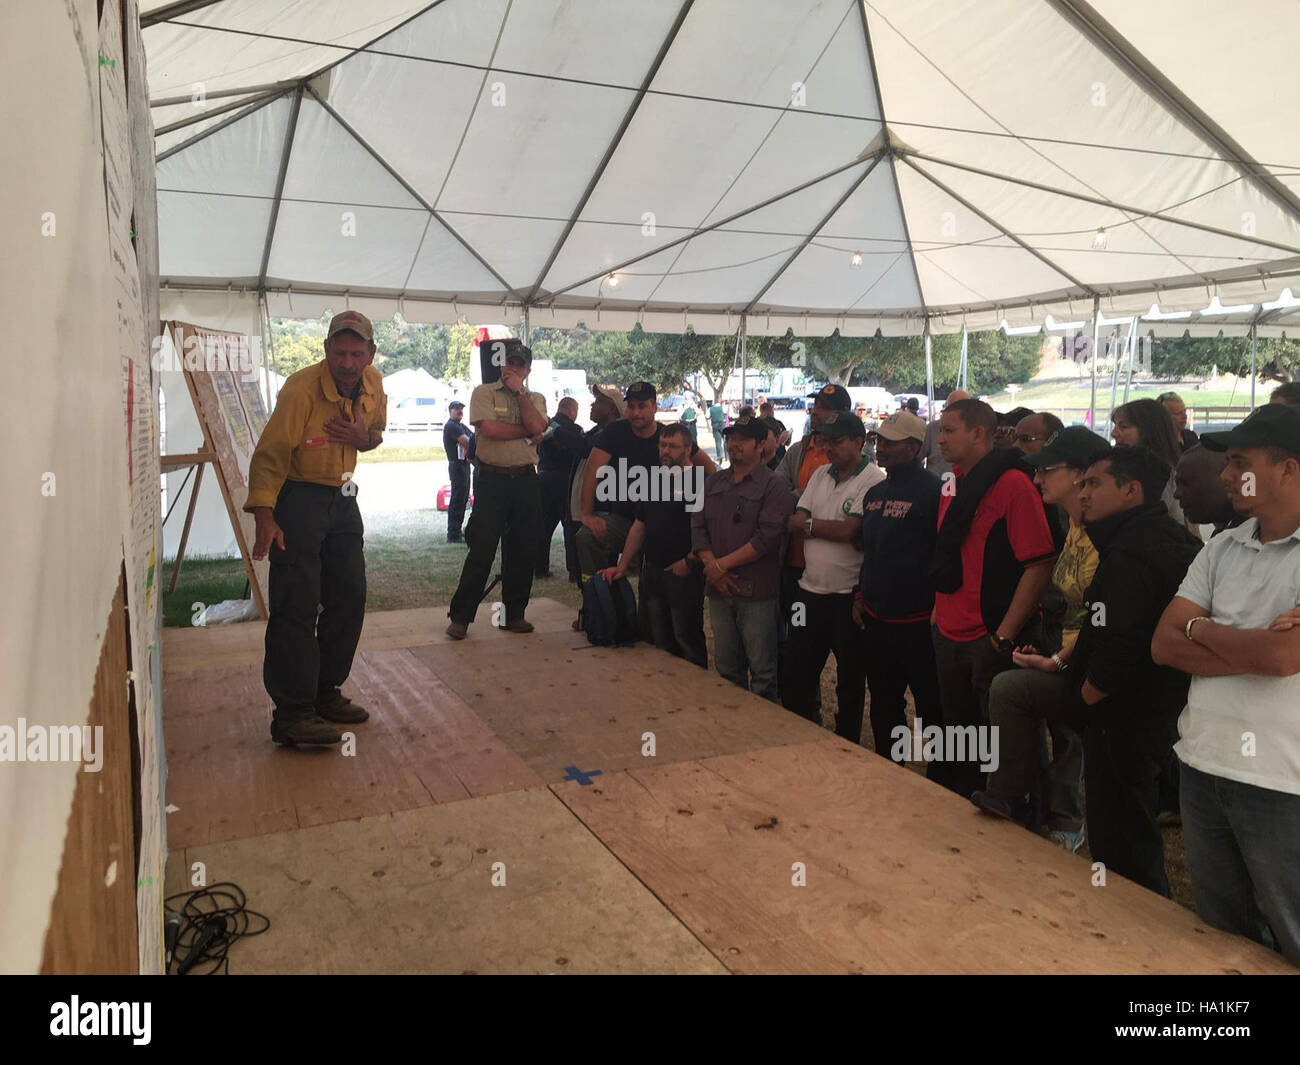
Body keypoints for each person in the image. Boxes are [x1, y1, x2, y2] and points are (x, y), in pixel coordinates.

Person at [1152, 404, 1300, 963]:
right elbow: (1163, 645)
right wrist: (1250, 645)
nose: (1223, 475)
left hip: (1284, 781)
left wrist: (1200, 629)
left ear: (1288, 468)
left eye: (1239, 461)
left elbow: (1286, 657)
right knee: (1223, 939)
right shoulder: (1221, 547)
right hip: (1203, 762)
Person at [1057, 445, 1200, 896]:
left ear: (1131, 490)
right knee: (1130, 825)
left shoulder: (1133, 553)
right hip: (1154, 710)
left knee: (1122, 839)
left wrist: (1085, 700)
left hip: (1126, 717)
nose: (1083, 493)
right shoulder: (1159, 536)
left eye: (1095, 484)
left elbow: (1124, 645)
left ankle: (1135, 933)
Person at [246, 310, 386, 746]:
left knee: (349, 595)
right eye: (339, 352)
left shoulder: (375, 383)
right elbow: (269, 454)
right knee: (296, 604)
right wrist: (266, 515)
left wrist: (363, 439)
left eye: (356, 353)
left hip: (344, 497)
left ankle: (325, 692)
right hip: (299, 497)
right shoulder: (301, 388)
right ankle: (292, 714)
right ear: (326, 351)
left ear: (370, 354)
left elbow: (376, 432)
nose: (347, 362)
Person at [970, 427, 1111, 851]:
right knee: (1017, 693)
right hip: (1062, 640)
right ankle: (1021, 801)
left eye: (1047, 470)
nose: (1037, 479)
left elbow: (1106, 613)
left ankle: (1066, 818)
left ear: (1081, 474)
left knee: (1063, 728)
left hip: (1095, 658)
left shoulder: (1107, 528)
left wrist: (1063, 658)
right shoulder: (1070, 520)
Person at [930, 399, 1058, 798]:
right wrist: (938, 611)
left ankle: (1022, 812)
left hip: (990, 630)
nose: (940, 437)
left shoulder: (1014, 484)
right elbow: (949, 549)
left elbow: (1039, 563)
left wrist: (1004, 634)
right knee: (960, 728)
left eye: (950, 430)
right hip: (949, 626)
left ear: (978, 433)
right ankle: (966, 799)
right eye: (941, 429)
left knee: (1006, 733)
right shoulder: (952, 480)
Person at [782, 413, 885, 737]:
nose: (828, 448)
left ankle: (847, 741)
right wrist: (821, 527)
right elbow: (795, 519)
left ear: (859, 442)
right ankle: (800, 732)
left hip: (847, 596)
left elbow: (850, 530)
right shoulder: (821, 474)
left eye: (837, 441)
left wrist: (811, 526)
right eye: (826, 440)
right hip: (808, 593)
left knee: (850, 679)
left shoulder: (873, 478)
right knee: (798, 669)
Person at [850, 410, 942, 760]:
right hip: (877, 619)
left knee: (932, 706)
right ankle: (890, 766)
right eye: (879, 440)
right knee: (884, 703)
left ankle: (943, 778)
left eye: (891, 442)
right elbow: (869, 552)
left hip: (919, 622)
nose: (881, 447)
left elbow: (943, 555)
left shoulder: (934, 491)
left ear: (914, 449)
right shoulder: (874, 493)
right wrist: (860, 595)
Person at [445, 340, 549, 640]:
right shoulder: (484, 393)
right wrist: (530, 431)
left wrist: (520, 395)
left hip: (526, 480)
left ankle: (513, 615)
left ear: (527, 370)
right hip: (492, 480)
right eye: (509, 363)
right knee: (482, 548)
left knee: (522, 550)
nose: (512, 368)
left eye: (519, 364)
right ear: (502, 365)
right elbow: (489, 430)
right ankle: (461, 617)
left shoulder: (535, 397)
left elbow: (538, 424)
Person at [692, 416, 795, 700]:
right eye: (731, 437)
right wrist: (714, 568)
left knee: (762, 673)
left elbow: (766, 539)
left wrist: (720, 567)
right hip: (719, 590)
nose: (734, 444)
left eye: (743, 439)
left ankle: (763, 737)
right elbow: (697, 527)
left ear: (761, 445)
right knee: (726, 669)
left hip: (757, 593)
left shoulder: (774, 486)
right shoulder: (713, 482)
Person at [577, 381, 714, 594]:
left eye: (642, 406)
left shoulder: (669, 435)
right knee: (586, 537)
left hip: (659, 522)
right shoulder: (614, 432)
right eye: (631, 406)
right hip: (622, 519)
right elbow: (593, 470)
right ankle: (598, 604)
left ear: (654, 406)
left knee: (659, 568)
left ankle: (651, 606)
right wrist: (586, 514)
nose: (636, 412)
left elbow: (709, 468)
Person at [597, 422, 707, 669]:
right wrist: (623, 566)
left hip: (683, 573)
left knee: (687, 642)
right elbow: (639, 525)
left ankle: (698, 696)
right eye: (662, 445)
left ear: (688, 449)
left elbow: (706, 533)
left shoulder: (699, 482)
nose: (665, 451)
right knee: (658, 643)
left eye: (673, 446)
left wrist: (690, 561)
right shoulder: (654, 478)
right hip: (653, 571)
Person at [775, 384, 851, 708]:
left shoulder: (861, 463)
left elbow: (844, 523)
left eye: (822, 407)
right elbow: (778, 489)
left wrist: (805, 503)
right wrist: (805, 496)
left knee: (845, 658)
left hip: (838, 583)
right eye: (815, 406)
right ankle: (808, 709)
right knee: (798, 642)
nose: (814, 412)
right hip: (796, 569)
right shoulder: (800, 448)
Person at [566, 384, 624, 587]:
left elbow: (581, 446)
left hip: (603, 509)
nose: (592, 404)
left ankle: (601, 610)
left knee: (600, 564)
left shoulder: (612, 436)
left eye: (599, 401)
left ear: (613, 409)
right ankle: (594, 607)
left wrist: (553, 427)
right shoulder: (595, 432)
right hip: (588, 507)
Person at [1111, 398, 1187, 525]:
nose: (1114, 433)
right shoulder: (1127, 467)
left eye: (1123, 427)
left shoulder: (1161, 473)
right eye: (1115, 426)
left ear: (1148, 430)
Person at [535, 396, 585, 579]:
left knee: (543, 525)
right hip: (565, 481)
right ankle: (574, 570)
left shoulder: (543, 426)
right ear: (571, 410)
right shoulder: (575, 430)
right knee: (570, 525)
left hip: (544, 478)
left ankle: (539, 567)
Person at [1174, 445, 1238, 535]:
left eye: (1186, 483)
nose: (1177, 494)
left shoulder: (1256, 539)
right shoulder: (1225, 537)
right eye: (1178, 484)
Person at [442, 401, 472, 543]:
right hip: (456, 465)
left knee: (463, 498)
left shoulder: (461, 426)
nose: (460, 411)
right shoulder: (451, 426)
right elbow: (468, 442)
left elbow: (474, 438)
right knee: (457, 499)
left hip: (464, 464)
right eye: (457, 408)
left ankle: (457, 531)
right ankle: (453, 534)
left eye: (461, 408)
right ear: (450, 411)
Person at [921, 390, 970, 477]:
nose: (940, 440)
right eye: (952, 409)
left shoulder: (973, 431)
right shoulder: (932, 428)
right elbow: (917, 459)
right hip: (935, 488)